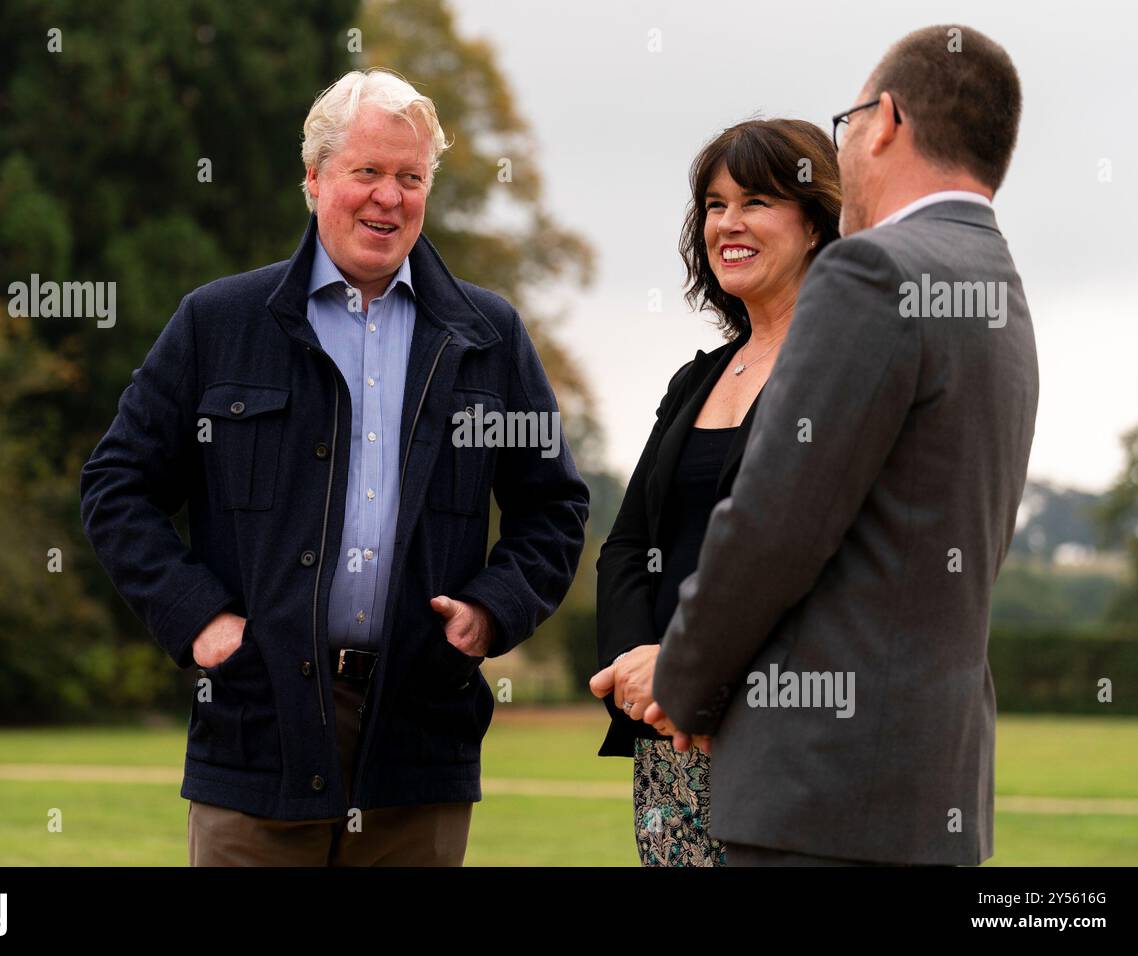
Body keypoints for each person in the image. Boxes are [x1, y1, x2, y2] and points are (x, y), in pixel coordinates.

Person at [80, 68, 589, 866]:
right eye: (368, 172)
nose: (390, 197)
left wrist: (491, 612)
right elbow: (116, 486)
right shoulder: (219, 322)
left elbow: (554, 508)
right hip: (258, 725)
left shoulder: (490, 336)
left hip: (419, 737)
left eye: (411, 177)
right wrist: (200, 621)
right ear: (314, 180)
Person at [649, 24, 1037, 866]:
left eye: (848, 125)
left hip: (816, 797)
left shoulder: (872, 273)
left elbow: (773, 525)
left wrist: (681, 682)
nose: (847, 147)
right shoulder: (998, 284)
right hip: (933, 791)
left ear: (886, 120)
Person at [590, 119, 841, 866]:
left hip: (778, 736)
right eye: (713, 203)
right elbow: (627, 544)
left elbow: (808, 561)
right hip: (669, 745)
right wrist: (642, 668)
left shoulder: (838, 374)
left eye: (756, 200)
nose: (727, 223)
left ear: (817, 224)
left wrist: (687, 666)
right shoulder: (694, 380)